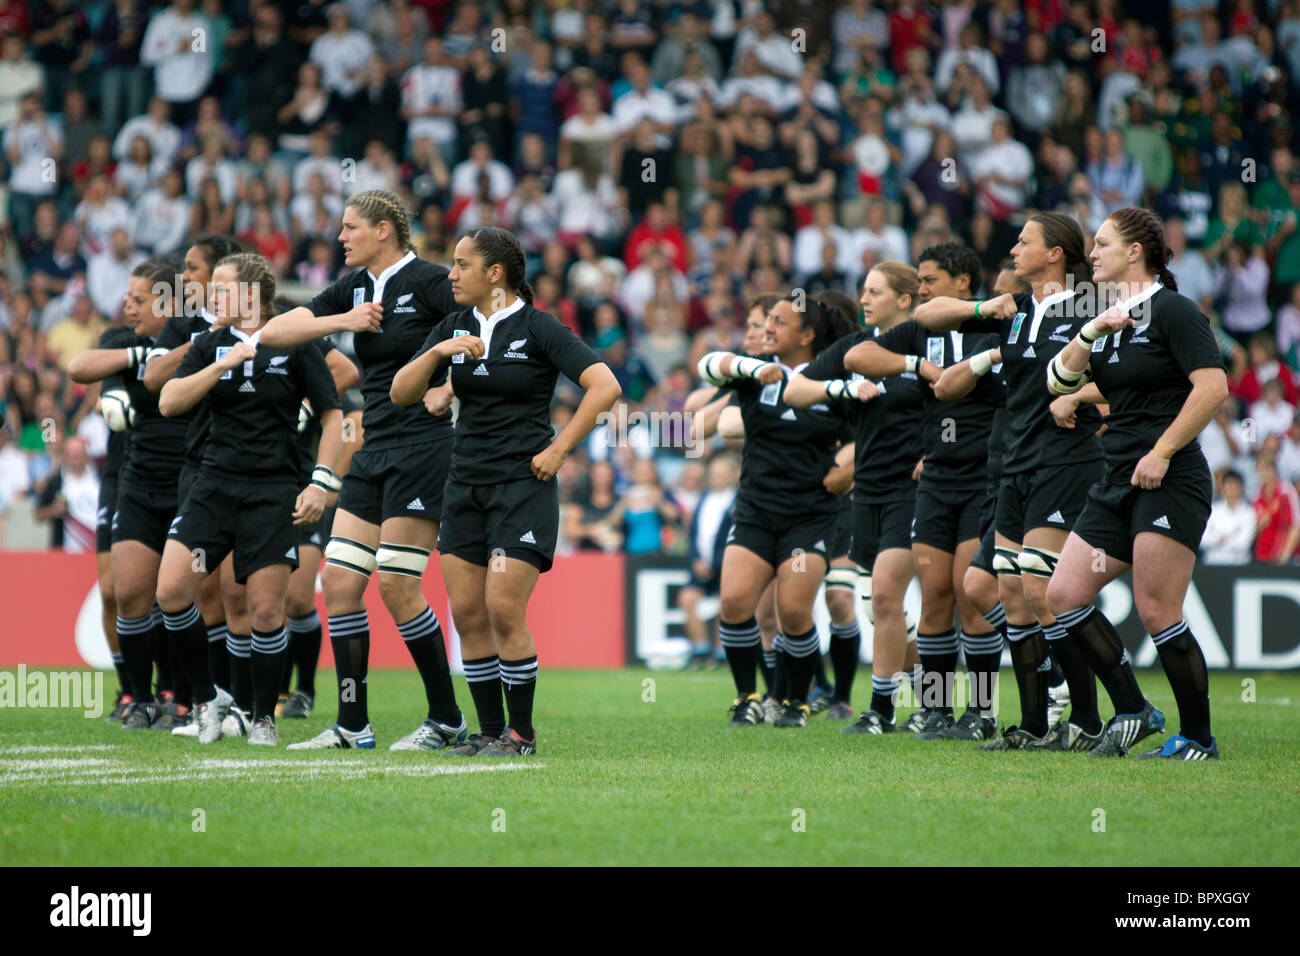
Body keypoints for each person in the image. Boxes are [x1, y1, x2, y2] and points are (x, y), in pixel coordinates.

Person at [390, 226, 621, 755]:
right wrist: (438, 352)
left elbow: (605, 385)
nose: (451, 274)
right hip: (463, 485)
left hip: (522, 487)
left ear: (494, 273)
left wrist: (559, 450)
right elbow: (401, 392)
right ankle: (490, 732)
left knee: (501, 607)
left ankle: (522, 734)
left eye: (461, 264)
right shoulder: (453, 326)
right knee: (468, 614)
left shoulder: (539, 327)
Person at [260, 189, 467, 752]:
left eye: (350, 227)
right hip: (373, 450)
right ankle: (353, 725)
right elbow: (271, 333)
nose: (340, 237)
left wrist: (448, 387)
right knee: (340, 583)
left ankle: (446, 719)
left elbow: (487, 332)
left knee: (398, 585)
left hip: (423, 449)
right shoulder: (352, 289)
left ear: (383, 230)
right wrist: (342, 319)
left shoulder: (430, 280)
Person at [914, 213, 1106, 750]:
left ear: (1055, 254)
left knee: (1041, 593)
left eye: (1024, 242)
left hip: (1062, 463)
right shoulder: (1014, 310)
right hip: (1009, 471)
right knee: (1003, 595)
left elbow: (1125, 377)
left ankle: (1086, 719)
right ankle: (1032, 724)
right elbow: (926, 317)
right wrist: (982, 310)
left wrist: (1080, 398)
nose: (1014, 250)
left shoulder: (1089, 307)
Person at [1046, 206, 1230, 760]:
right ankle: (1134, 709)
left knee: (1156, 611)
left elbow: (1212, 387)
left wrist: (1163, 450)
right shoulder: (1106, 317)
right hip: (1117, 478)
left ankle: (1198, 738)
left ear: (1134, 252)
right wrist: (1090, 332)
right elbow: (1058, 380)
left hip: (1169, 478)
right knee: (1063, 596)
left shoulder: (1175, 311)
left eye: (1101, 244)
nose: (1092, 254)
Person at [155, 253, 343, 746]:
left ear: (252, 295)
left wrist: (320, 482)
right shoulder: (209, 344)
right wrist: (223, 363)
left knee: (264, 612)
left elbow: (333, 416)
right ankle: (207, 698)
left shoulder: (295, 343)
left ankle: (262, 717)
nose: (211, 296)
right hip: (212, 488)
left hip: (273, 492)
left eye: (222, 288)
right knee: (171, 592)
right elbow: (168, 401)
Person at [837, 243, 1004, 740]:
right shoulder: (922, 331)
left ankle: (983, 712)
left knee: (969, 595)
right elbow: (857, 355)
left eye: (930, 280)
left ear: (962, 282)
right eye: (920, 280)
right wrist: (913, 364)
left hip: (981, 478)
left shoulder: (995, 328)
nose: (923, 289)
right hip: (935, 482)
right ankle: (935, 709)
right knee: (933, 598)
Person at [695, 292, 856, 729]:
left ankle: (797, 702)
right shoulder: (755, 372)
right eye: (767, 319)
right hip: (755, 513)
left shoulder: (831, 381)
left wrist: (849, 464)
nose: (767, 328)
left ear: (806, 336)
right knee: (734, 602)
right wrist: (752, 368)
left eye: (779, 322)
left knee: (794, 610)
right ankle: (747, 697)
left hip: (808, 519)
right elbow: (708, 366)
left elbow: (866, 433)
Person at [786, 263, 925, 735]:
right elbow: (794, 390)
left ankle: (880, 710)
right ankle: (934, 700)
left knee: (885, 596)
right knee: (877, 606)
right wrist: (840, 386)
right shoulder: (852, 349)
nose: (864, 299)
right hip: (867, 491)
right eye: (863, 291)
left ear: (904, 300)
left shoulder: (927, 344)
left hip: (915, 489)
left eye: (875, 291)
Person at [67, 260, 190, 730]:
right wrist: (140, 357)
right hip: (131, 480)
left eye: (139, 299)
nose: (128, 306)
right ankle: (137, 695)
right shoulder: (122, 340)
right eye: (128, 298)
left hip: (190, 480)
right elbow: (81, 369)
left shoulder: (197, 339)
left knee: (179, 596)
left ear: (168, 302)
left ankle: (181, 694)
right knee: (124, 591)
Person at [142, 235, 245, 734]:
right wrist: (208, 341)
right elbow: (154, 379)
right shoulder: (184, 325)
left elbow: (335, 370)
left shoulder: (267, 323)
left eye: (193, 268)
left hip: (254, 472)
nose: (183, 279)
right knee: (195, 591)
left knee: (238, 594)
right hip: (199, 469)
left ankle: (248, 707)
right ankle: (206, 701)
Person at [1201, 470, 1255, 565]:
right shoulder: (1213, 510)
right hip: (1212, 563)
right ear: (1222, 487)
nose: (1231, 488)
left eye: (1234, 485)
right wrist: (1224, 538)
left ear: (1241, 487)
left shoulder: (1248, 512)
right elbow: (1203, 540)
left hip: (1239, 565)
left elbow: (1244, 544)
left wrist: (1217, 538)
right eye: (1228, 485)